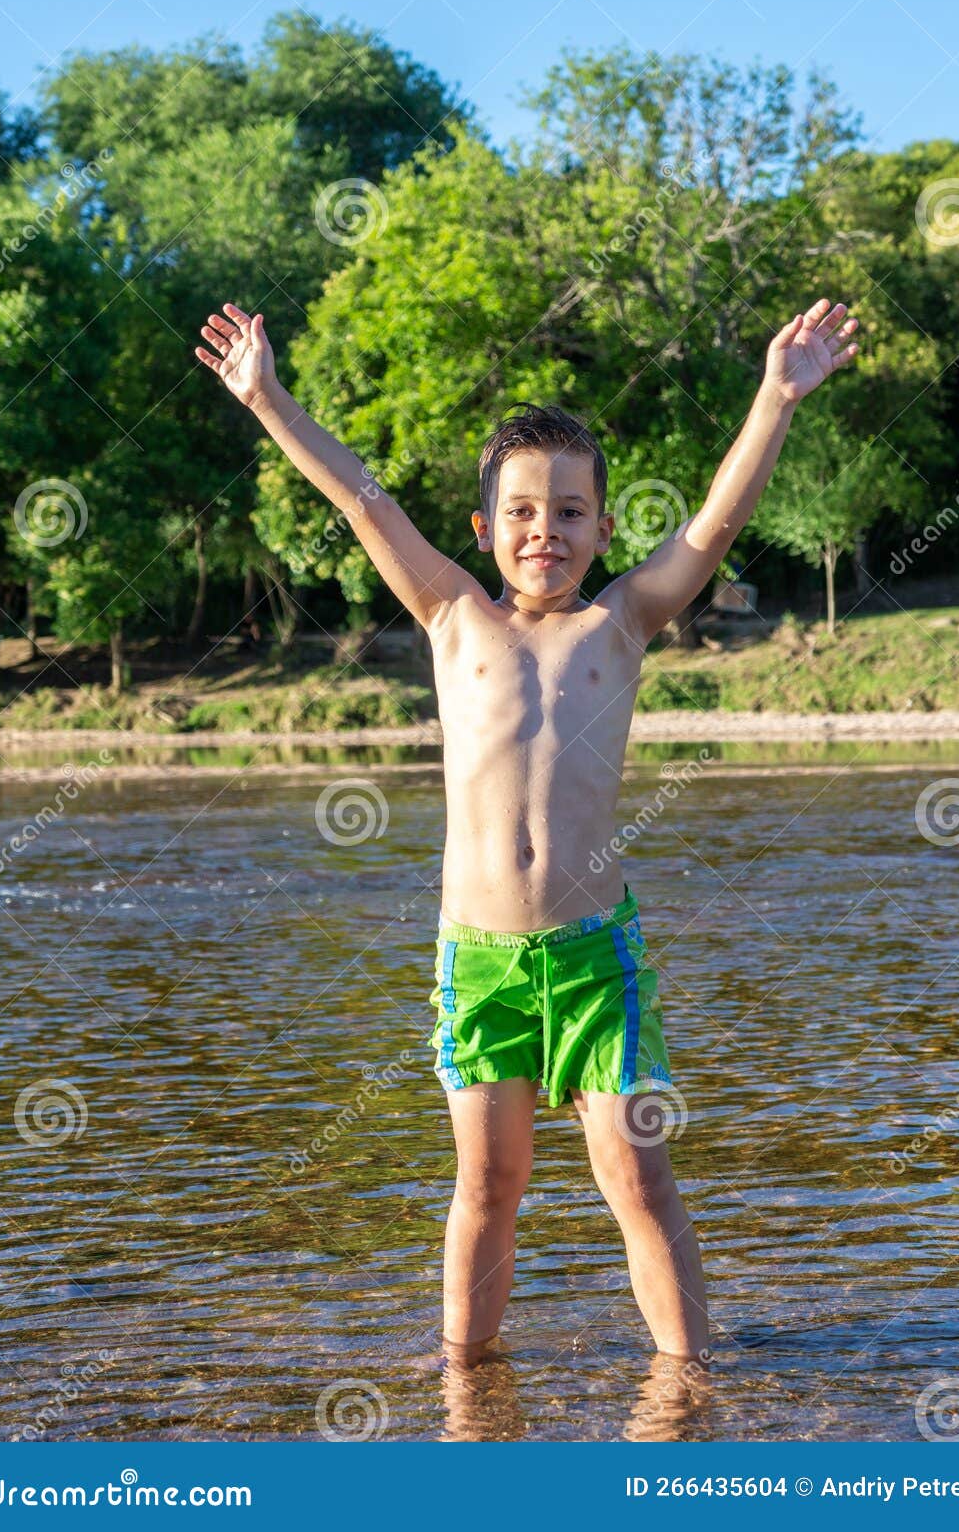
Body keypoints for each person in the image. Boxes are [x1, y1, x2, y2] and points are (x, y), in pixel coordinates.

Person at [195, 296, 859, 1366]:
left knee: (637, 1178)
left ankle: (691, 1383)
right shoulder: (452, 616)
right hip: (482, 968)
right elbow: (361, 500)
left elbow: (712, 526)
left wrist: (774, 397)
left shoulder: (621, 623)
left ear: (601, 528)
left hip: (599, 964)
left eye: (566, 512)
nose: (541, 530)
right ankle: (465, 1385)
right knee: (488, 1184)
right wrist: (267, 396)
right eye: (517, 512)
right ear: (482, 529)